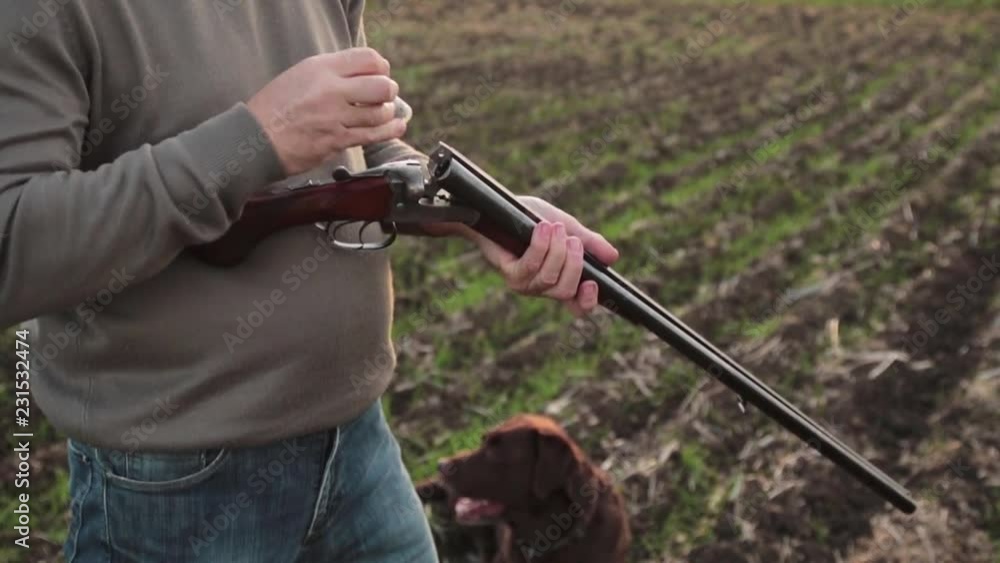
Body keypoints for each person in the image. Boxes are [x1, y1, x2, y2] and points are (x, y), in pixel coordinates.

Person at [0, 1, 619, 561]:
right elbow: (14, 245)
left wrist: (483, 213)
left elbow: (364, 151)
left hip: (359, 445)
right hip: (176, 487)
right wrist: (254, 140)